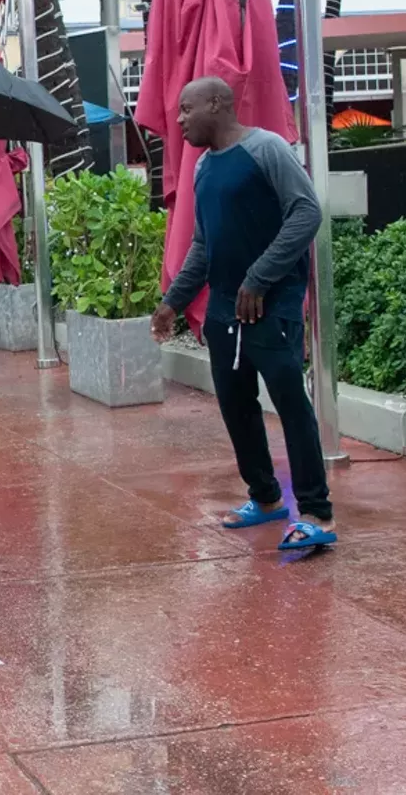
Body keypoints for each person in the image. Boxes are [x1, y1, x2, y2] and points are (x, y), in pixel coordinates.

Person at [151, 76, 335, 551]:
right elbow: (203, 245)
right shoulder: (204, 168)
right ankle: (267, 498)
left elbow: (306, 212)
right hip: (223, 314)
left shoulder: (267, 149)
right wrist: (173, 301)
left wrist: (260, 276)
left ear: (217, 103)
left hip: (271, 309)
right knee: (237, 408)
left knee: (292, 407)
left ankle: (316, 513)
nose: (179, 120)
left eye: (186, 109)